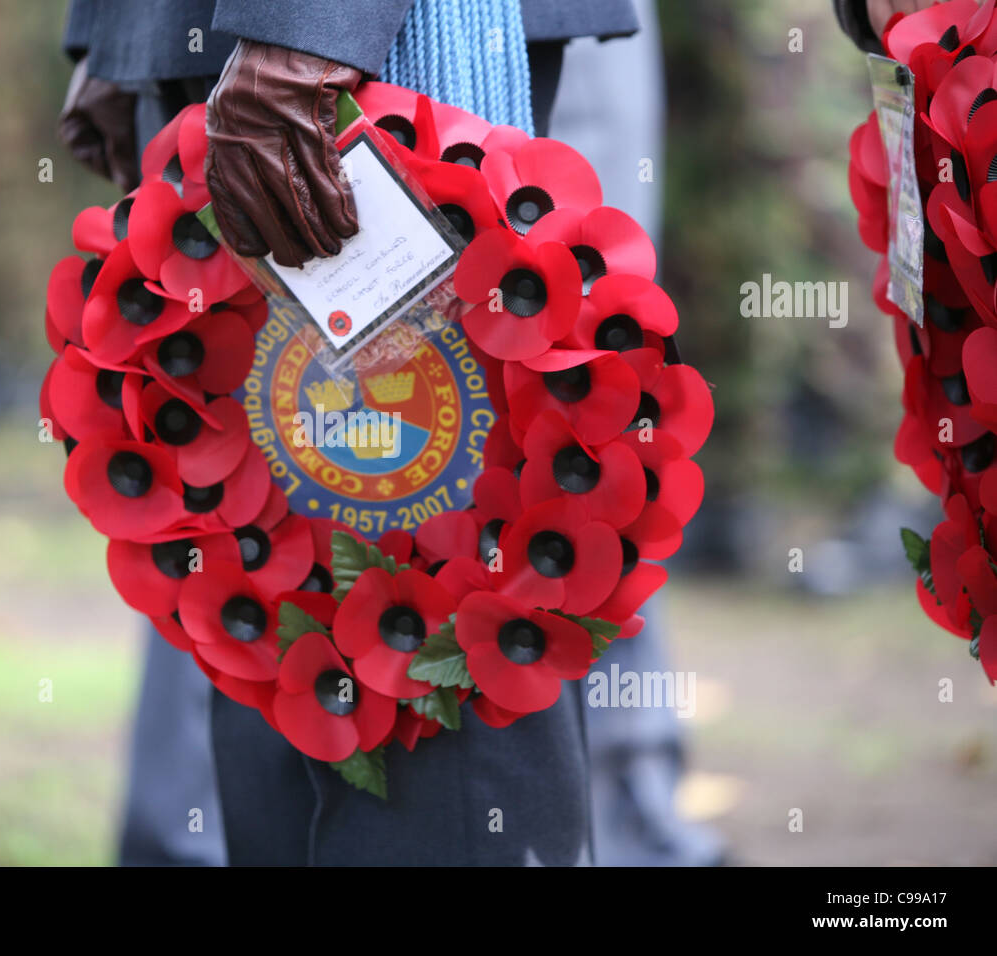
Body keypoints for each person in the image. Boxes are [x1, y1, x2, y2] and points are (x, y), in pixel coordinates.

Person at [60, 0, 643, 866]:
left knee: (438, 681)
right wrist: (123, 33)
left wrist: (308, 26)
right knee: (276, 623)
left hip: (366, 46)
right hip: (232, 42)